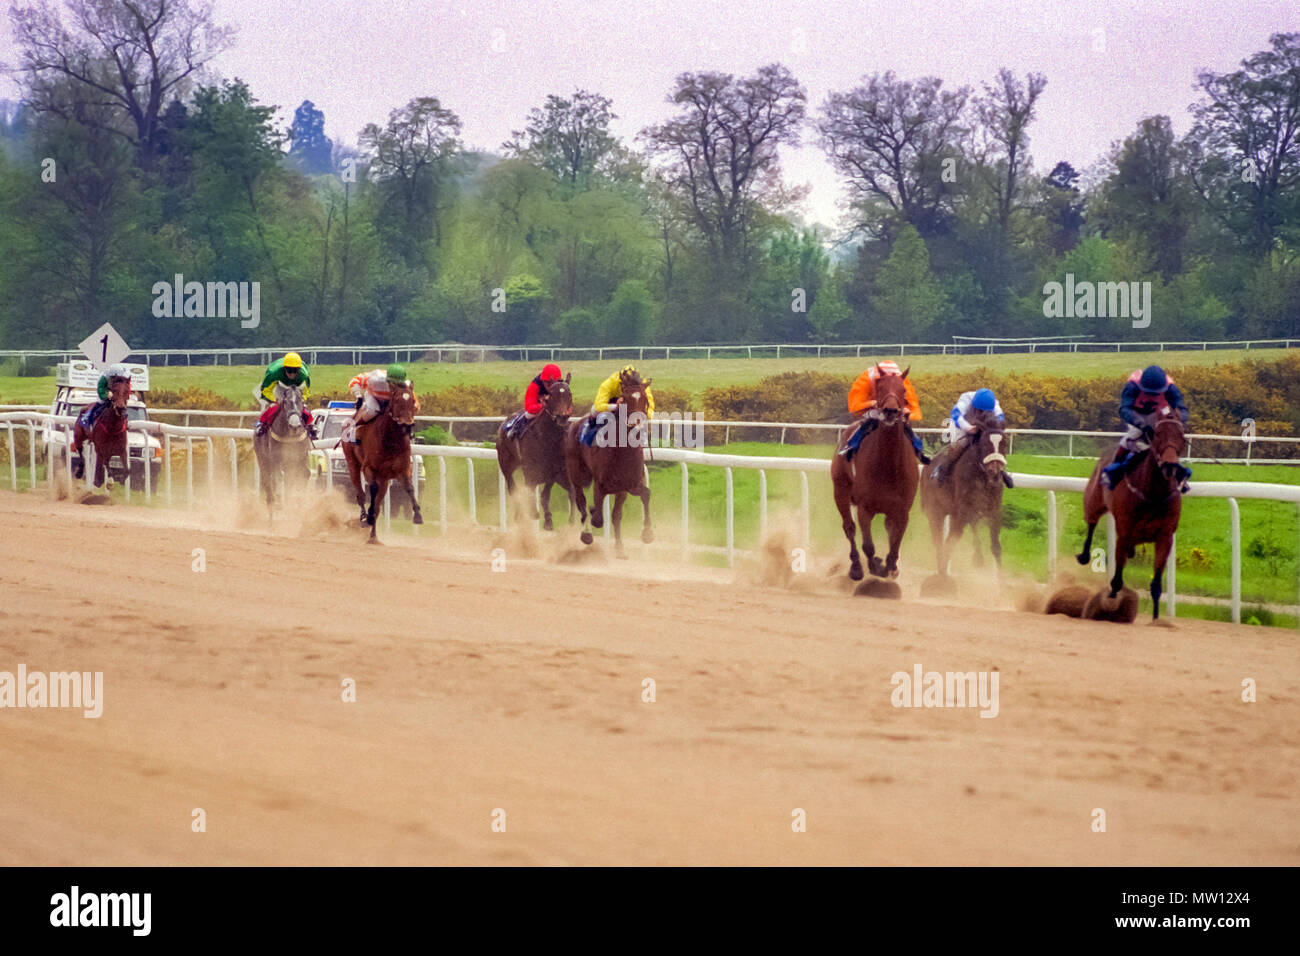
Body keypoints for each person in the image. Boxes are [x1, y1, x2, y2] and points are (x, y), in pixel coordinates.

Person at [1101, 365, 1191, 493]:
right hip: (1137, 417)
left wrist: (1175, 421)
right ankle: (1114, 471)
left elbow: (1183, 410)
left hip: (1161, 417)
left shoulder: (1171, 388)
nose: (1152, 395)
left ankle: (1180, 476)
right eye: (1149, 392)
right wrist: (1142, 425)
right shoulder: (1132, 386)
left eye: (1155, 393)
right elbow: (1124, 409)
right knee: (1132, 437)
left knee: (1169, 441)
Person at [837, 360, 929, 463]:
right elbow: (854, 407)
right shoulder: (867, 378)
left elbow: (916, 412)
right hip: (872, 410)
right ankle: (851, 446)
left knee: (906, 426)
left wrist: (907, 412)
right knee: (870, 420)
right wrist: (869, 404)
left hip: (895, 411)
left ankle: (920, 449)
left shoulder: (901, 380)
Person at [931, 387, 1013, 488]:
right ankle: (942, 470)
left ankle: (1001, 471)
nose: (983, 413)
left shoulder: (994, 404)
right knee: (959, 445)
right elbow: (956, 415)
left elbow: (1000, 419)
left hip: (984, 427)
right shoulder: (965, 400)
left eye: (986, 411)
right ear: (974, 407)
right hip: (962, 424)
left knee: (994, 445)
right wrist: (968, 428)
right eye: (980, 411)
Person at [580, 364, 655, 445]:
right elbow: (598, 406)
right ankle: (588, 433)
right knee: (594, 410)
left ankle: (642, 440)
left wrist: (644, 417)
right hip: (611, 403)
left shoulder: (641, 385)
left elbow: (650, 406)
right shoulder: (610, 382)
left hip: (630, 405)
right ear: (621, 381)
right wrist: (616, 406)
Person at [252, 352, 314, 439]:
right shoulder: (274, 373)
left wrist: (301, 400)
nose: (292, 374)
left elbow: (306, 392)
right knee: (274, 406)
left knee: (300, 406)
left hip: (297, 387)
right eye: (289, 370)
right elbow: (265, 391)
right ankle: (261, 424)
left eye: (295, 371)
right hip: (281, 386)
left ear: (299, 370)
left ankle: (311, 426)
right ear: (284, 368)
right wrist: (275, 400)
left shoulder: (304, 375)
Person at [343, 363, 408, 444]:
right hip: (373, 395)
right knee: (373, 411)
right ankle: (353, 429)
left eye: (399, 383)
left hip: (390, 398)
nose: (395, 385)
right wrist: (358, 395)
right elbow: (354, 381)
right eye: (393, 382)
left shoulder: (405, 385)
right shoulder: (375, 378)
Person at [503, 363, 563, 440]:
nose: (550, 386)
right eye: (547, 383)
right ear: (543, 380)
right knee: (528, 415)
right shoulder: (534, 387)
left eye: (553, 383)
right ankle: (516, 429)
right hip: (537, 412)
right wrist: (545, 405)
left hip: (554, 413)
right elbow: (529, 408)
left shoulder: (561, 388)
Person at [80, 363, 133, 430]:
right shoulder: (104, 378)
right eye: (114, 376)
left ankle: (125, 423)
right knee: (96, 407)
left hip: (116, 398)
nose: (116, 378)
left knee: (123, 410)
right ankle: (88, 421)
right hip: (104, 396)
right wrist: (106, 395)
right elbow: (100, 389)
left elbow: (126, 389)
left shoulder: (122, 378)